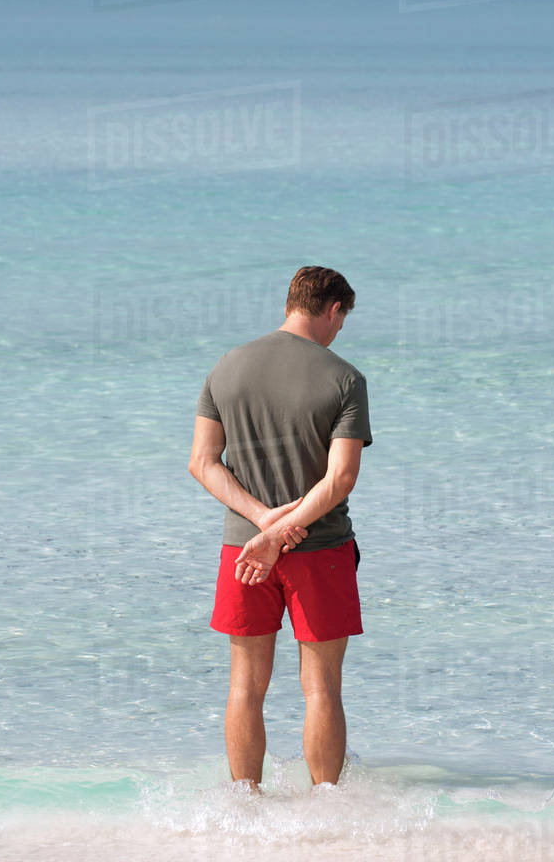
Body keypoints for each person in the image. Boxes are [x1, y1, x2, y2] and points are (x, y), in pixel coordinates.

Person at [188, 265, 372, 790]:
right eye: (342, 320)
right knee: (321, 688)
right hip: (322, 549)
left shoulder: (226, 368)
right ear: (333, 309)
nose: (339, 333)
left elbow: (202, 463)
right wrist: (282, 529)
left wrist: (263, 524)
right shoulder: (344, 377)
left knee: (245, 686)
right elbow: (340, 479)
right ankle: (327, 810)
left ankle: (245, 805)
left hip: (241, 551)